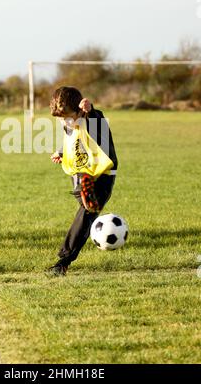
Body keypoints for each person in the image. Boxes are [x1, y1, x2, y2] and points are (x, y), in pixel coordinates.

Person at [47, 86, 118, 276]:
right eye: (61, 119)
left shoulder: (93, 119)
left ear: (80, 110)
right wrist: (61, 153)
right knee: (87, 207)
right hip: (80, 173)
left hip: (102, 174)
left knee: (87, 213)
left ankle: (64, 260)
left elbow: (95, 122)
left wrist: (90, 110)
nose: (65, 122)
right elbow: (73, 140)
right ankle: (88, 194)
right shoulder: (68, 123)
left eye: (69, 117)